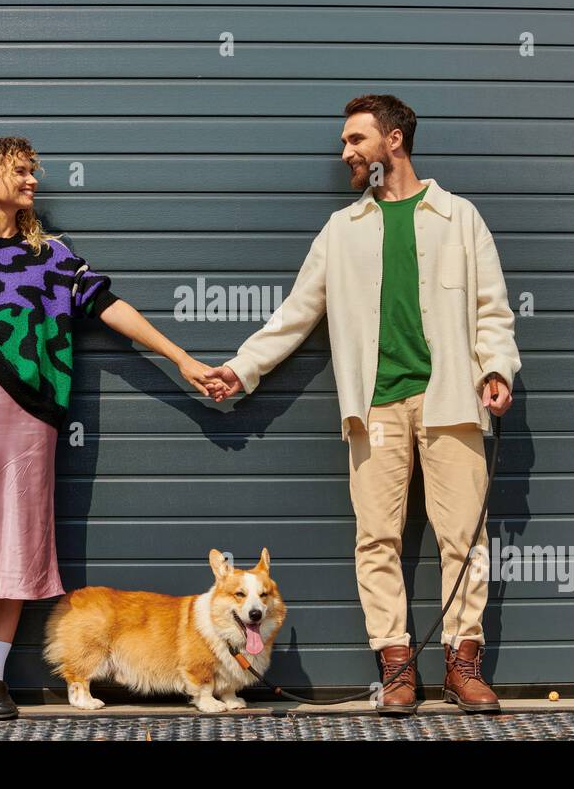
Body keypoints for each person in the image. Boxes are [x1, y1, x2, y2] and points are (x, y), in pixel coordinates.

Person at [203, 94, 521, 715]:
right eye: (345, 143)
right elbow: (296, 313)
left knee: (464, 539)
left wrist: (497, 369)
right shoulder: (341, 231)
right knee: (376, 541)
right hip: (374, 410)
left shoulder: (460, 219)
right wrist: (242, 369)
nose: (345, 153)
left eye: (355, 140)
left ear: (393, 141)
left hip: (452, 401)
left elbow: (493, 311)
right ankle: (397, 668)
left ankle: (463, 664)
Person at [0, 136, 213, 720]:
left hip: (29, 417)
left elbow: (109, 306)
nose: (32, 182)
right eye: (20, 172)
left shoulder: (50, 254)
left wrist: (181, 357)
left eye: (33, 171)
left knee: (18, 536)